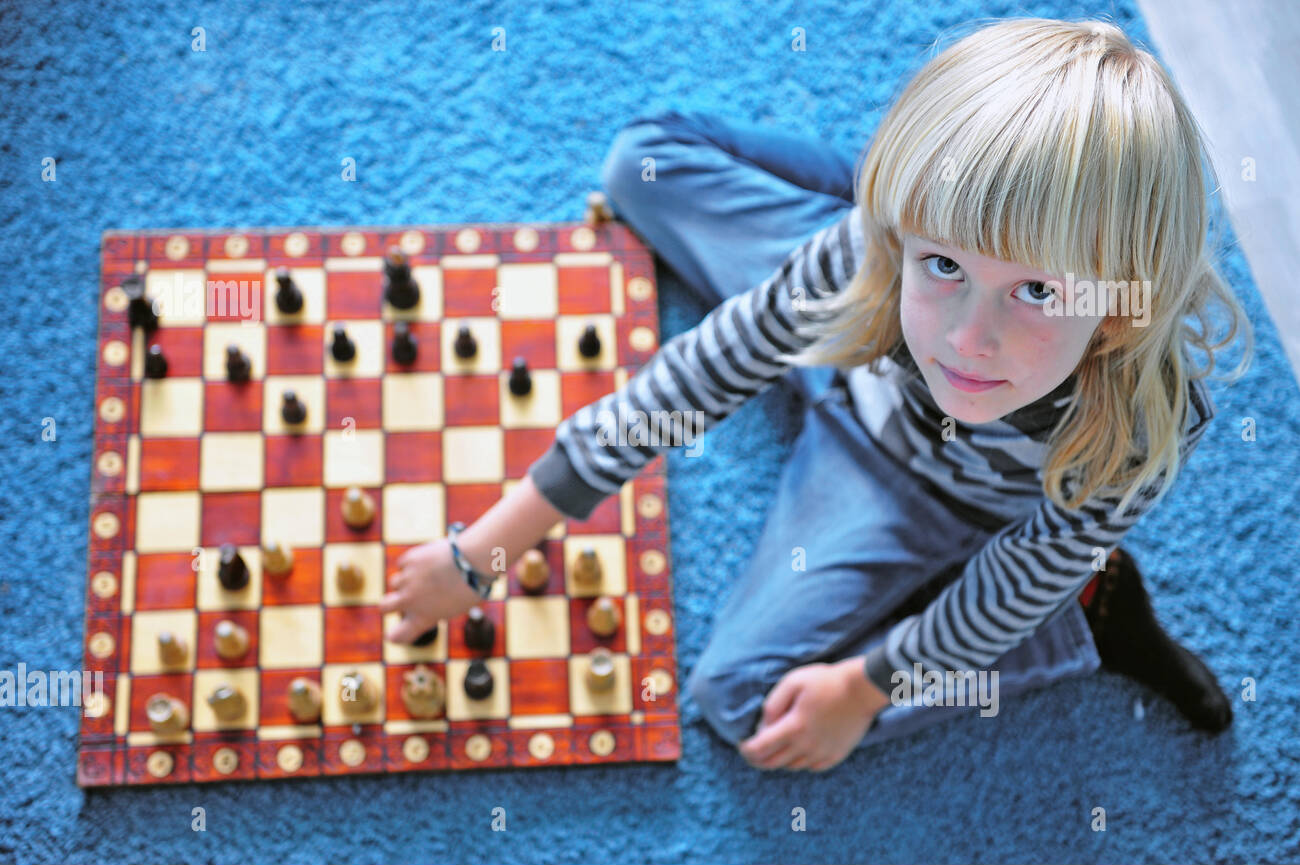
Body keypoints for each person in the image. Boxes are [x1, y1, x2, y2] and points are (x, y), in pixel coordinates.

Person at [382, 17, 1253, 772]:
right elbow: (698, 376)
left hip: (914, 488)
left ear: (1117, 313)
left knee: (745, 708)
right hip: (852, 318)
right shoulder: (865, 260)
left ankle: (1088, 629)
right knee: (640, 164)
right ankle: (884, 188)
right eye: (946, 262)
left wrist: (865, 684)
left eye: (1039, 292)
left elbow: (1013, 585)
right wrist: (486, 549)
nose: (966, 338)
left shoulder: (1141, 424)